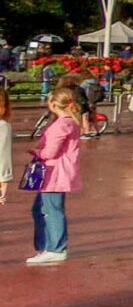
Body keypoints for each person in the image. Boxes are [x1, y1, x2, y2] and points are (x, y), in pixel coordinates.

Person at [24, 88, 82, 264]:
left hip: (54, 173)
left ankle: (55, 248)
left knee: (51, 211)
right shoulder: (68, 122)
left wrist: (36, 151)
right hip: (56, 172)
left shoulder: (61, 125)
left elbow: (50, 152)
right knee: (43, 209)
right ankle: (47, 246)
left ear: (54, 104)